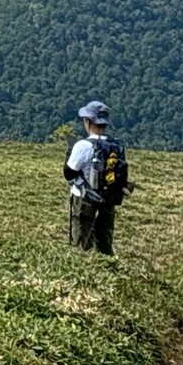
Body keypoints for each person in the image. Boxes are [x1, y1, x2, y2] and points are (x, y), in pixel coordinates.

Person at [64, 100, 130, 255]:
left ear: (89, 121)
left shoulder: (83, 146)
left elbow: (69, 174)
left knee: (81, 239)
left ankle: (84, 270)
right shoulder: (117, 145)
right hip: (108, 199)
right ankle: (109, 270)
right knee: (104, 241)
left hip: (85, 197)